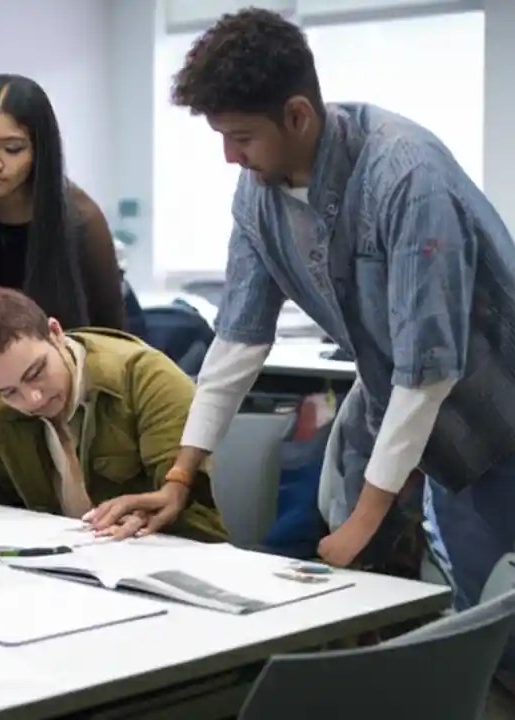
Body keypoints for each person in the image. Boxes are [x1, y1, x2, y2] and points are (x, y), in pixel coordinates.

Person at [141, 7, 515, 638]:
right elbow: (237, 340)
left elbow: (427, 369)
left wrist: (364, 521)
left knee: (494, 624)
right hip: (400, 413)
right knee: (415, 608)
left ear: (297, 116)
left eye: (241, 137)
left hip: (495, 414)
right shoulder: (259, 192)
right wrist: (181, 475)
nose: (229, 156)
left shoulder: (407, 176)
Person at [0, 287, 228, 542]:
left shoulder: (147, 379)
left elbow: (193, 513)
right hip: (63, 571)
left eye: (36, 372)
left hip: (153, 563)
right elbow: (4, 496)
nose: (33, 398)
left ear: (55, 333)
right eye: (9, 392)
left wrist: (146, 519)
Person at [0, 73, 127, 426]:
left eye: (12, 148)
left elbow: (114, 337)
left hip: (66, 401)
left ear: (39, 152)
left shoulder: (81, 221)